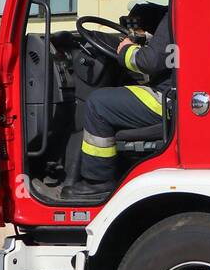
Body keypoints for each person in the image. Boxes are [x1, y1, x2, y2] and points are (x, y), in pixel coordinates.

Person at [64, 14, 174, 199]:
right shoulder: (182, 13)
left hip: (166, 98)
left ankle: (99, 181)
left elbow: (150, 61)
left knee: (98, 104)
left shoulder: (176, 13)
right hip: (176, 94)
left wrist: (126, 50)